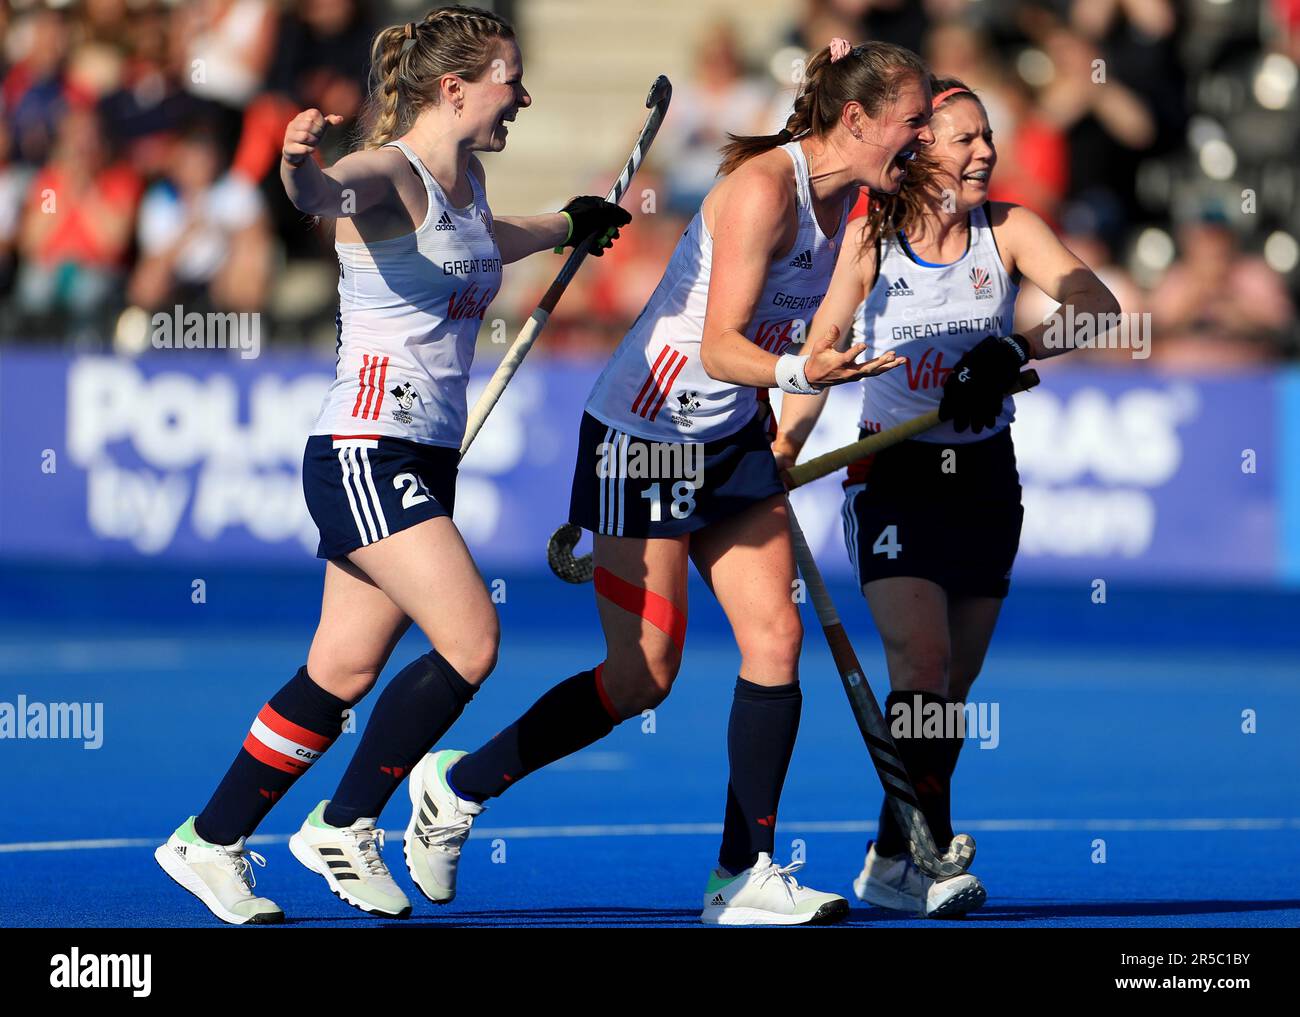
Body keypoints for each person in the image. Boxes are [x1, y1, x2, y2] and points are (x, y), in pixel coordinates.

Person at [410, 37, 927, 927]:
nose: (919, 138)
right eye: (912, 121)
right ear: (857, 118)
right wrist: (805, 374)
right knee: (641, 677)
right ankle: (455, 785)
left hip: (731, 436)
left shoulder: (860, 210)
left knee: (776, 637)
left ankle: (742, 873)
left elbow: (825, 330)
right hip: (644, 437)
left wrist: (798, 407)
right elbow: (725, 345)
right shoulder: (765, 189)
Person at [154, 4, 630, 925]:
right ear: (454, 88)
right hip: (365, 448)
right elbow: (318, 195)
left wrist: (570, 223)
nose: (521, 94)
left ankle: (208, 840)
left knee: (338, 670)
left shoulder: (471, 178)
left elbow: (481, 245)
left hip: (422, 451)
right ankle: (349, 821)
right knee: (470, 640)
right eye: (507, 78)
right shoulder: (387, 172)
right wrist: (296, 159)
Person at [773, 76, 1121, 917]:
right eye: (965, 139)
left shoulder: (1008, 230)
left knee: (948, 697)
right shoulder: (870, 241)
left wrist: (1009, 348)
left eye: (989, 137)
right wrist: (782, 447)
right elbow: (821, 354)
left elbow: (1098, 307)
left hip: (987, 478)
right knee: (921, 670)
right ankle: (932, 852)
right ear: (920, 150)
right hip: (893, 479)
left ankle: (892, 856)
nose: (985, 152)